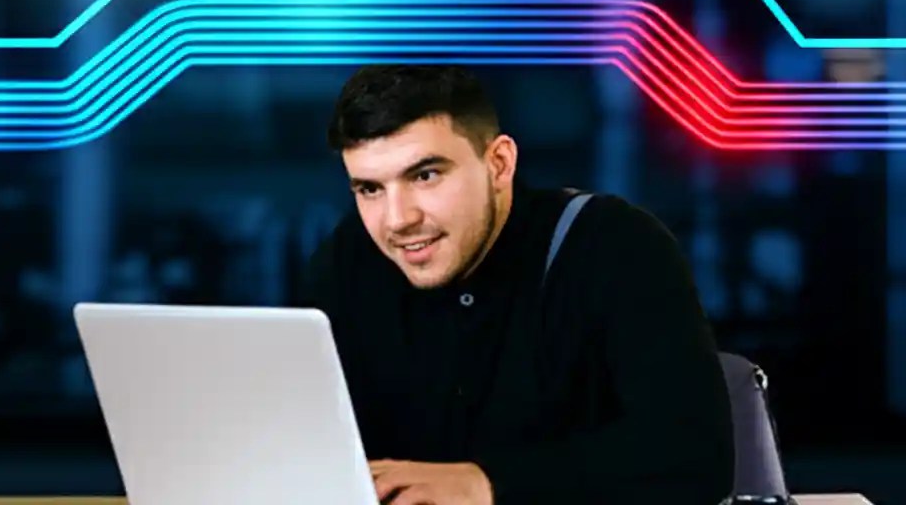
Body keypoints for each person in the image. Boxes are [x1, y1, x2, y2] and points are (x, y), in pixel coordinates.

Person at [305, 65, 734, 505]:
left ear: (499, 164)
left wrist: (485, 484)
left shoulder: (611, 244)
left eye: (425, 176)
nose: (398, 219)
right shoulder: (349, 259)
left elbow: (693, 457)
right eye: (370, 189)